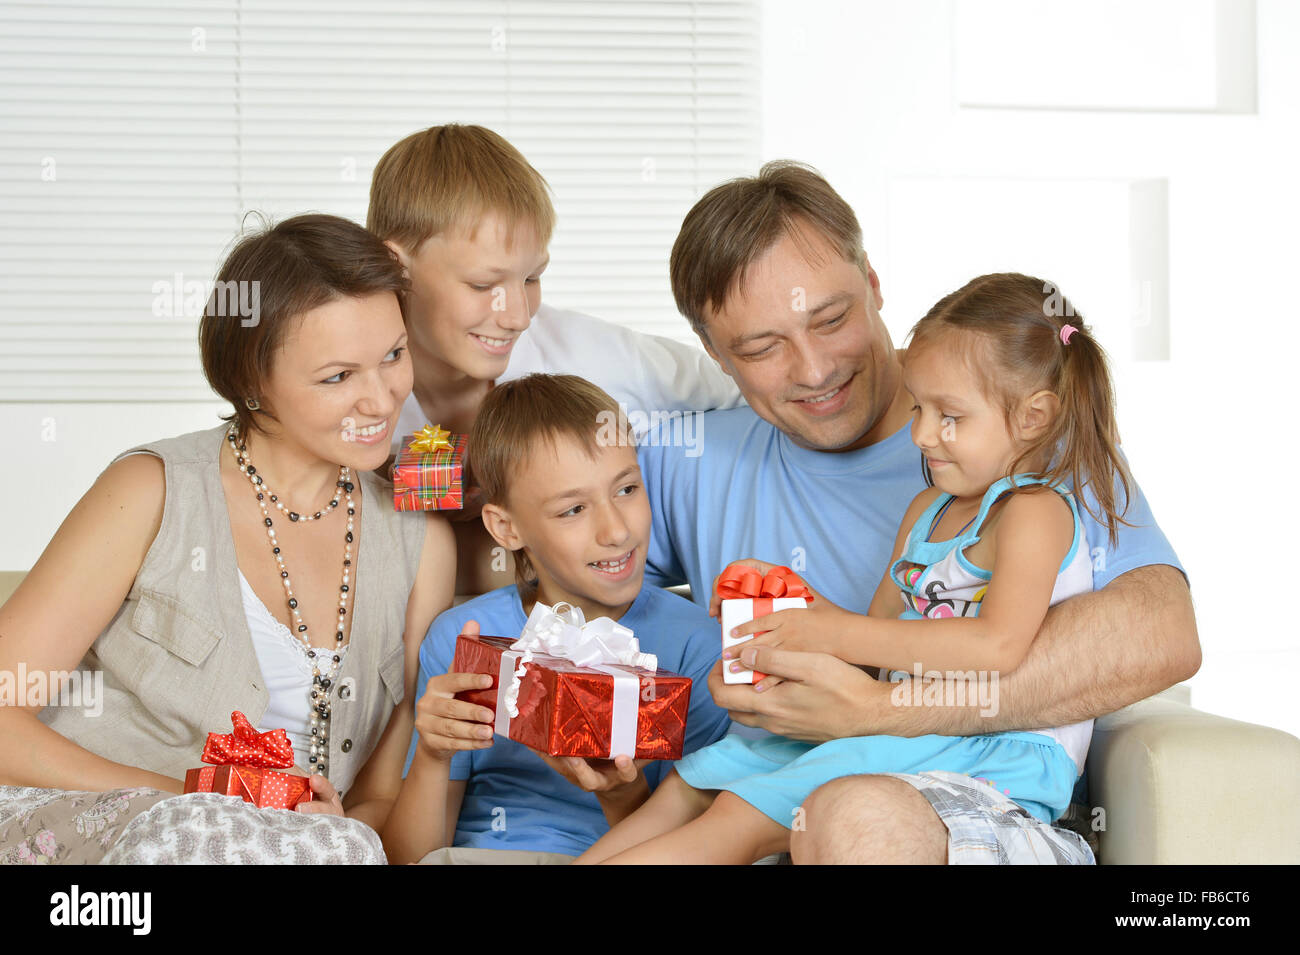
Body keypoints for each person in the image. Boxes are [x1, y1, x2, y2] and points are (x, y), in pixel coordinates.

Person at [636, 161, 1200, 865]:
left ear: (873, 282)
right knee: (703, 796)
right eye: (762, 347)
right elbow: (540, 549)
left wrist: (878, 712)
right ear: (715, 354)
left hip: (957, 808)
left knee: (850, 816)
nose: (813, 370)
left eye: (832, 318)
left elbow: (1161, 636)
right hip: (783, 779)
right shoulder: (683, 458)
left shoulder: (1024, 448)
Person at [578, 272, 1124, 864]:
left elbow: (998, 646)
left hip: (991, 751)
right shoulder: (928, 509)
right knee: (706, 774)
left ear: (1034, 417)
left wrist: (832, 630)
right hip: (902, 728)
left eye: (949, 416)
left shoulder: (1034, 512)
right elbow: (871, 646)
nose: (919, 433)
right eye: (918, 406)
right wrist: (801, 608)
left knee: (743, 811)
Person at [0, 214, 455, 864]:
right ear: (251, 382)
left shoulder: (418, 537)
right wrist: (192, 802)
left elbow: (381, 798)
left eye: (393, 355)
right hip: (99, 834)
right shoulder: (151, 489)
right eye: (337, 377)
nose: (382, 399)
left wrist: (329, 820)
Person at [366, 124, 743, 592]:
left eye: (531, 278)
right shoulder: (351, 386)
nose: (518, 316)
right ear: (396, 267)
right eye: (483, 285)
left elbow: (749, 388)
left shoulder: (589, 353)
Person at [381, 375, 730, 864]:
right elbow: (410, 857)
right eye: (573, 510)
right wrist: (434, 757)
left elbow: (700, 846)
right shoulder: (465, 640)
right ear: (507, 527)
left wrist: (617, 794)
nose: (616, 530)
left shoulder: (697, 645)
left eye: (627, 488)